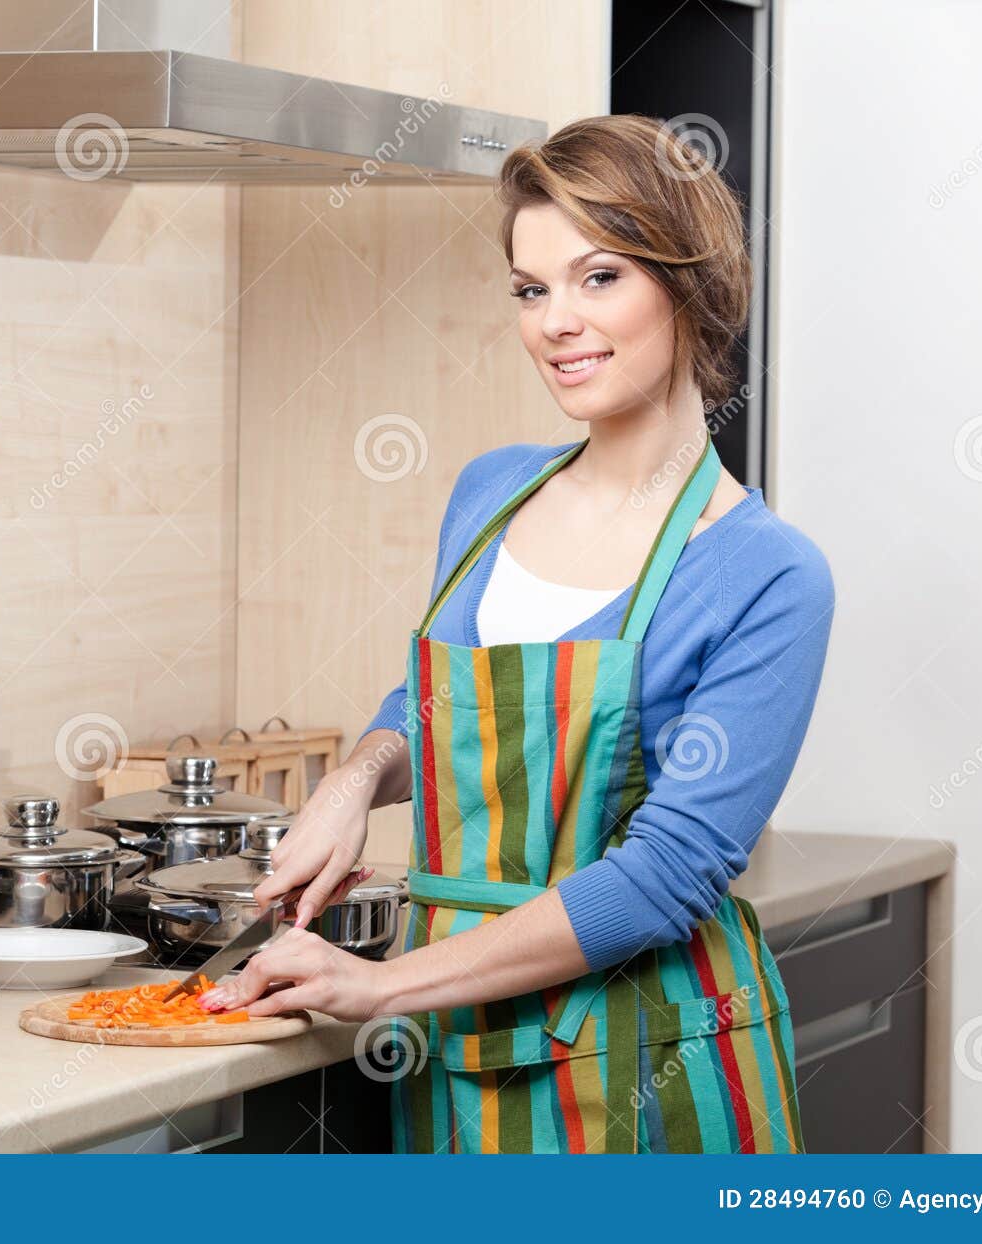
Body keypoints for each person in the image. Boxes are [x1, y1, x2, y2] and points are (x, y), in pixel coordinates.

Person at [198, 115, 835, 1154]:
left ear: (690, 285)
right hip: (455, 1039)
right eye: (530, 289)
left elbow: (666, 874)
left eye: (599, 277)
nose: (555, 323)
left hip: (646, 1058)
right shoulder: (490, 491)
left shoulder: (766, 573)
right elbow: (433, 699)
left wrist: (379, 983)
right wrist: (349, 784)